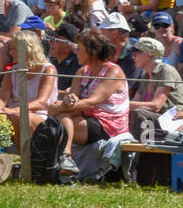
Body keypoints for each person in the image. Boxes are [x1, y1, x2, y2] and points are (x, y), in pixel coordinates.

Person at [49, 30, 129, 177]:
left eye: (79, 48)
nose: (76, 51)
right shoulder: (82, 71)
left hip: (108, 125)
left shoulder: (113, 71)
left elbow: (92, 102)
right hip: (84, 117)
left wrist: (54, 108)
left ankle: (65, 158)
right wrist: (68, 100)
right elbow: (74, 97)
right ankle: (66, 158)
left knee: (58, 120)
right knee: (62, 117)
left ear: (91, 51)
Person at [0, 28, 57, 142]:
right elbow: (2, 97)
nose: (10, 53)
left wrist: (15, 110)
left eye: (14, 49)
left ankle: (24, 158)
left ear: (27, 50)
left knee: (19, 118)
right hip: (14, 113)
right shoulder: (12, 71)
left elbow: (41, 103)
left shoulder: (48, 70)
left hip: (40, 116)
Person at [125, 37, 183, 141]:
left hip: (175, 121)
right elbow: (135, 102)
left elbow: (156, 106)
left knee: (138, 113)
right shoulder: (145, 76)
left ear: (149, 55)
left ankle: (137, 149)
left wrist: (122, 104)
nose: (133, 57)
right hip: (157, 120)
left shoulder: (166, 70)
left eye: (136, 52)